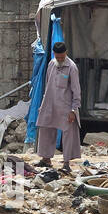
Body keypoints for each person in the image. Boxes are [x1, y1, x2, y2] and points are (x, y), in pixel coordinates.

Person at [35, 41, 81, 173]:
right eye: (57, 57)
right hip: (50, 103)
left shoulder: (71, 67)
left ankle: (66, 163)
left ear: (66, 53)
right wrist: (43, 103)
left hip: (65, 107)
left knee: (68, 134)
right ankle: (46, 159)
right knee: (46, 129)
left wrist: (74, 109)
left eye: (62, 57)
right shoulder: (51, 64)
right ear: (54, 54)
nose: (60, 59)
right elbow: (48, 84)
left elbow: (76, 90)